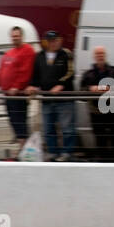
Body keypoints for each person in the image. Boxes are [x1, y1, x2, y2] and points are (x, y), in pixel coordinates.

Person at [28, 31, 75, 161]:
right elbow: (35, 76)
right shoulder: (39, 56)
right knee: (48, 129)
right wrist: (32, 86)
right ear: (46, 42)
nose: (53, 42)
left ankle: (67, 153)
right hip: (47, 99)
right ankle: (53, 152)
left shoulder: (66, 54)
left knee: (67, 128)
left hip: (64, 99)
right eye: (50, 40)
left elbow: (71, 72)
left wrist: (61, 85)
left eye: (55, 40)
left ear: (59, 40)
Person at [0, 26, 35, 157]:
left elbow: (25, 71)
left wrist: (17, 86)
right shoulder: (8, 53)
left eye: (17, 36)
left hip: (18, 95)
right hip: (8, 94)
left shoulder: (27, 50)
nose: (15, 38)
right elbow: (0, 72)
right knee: (13, 120)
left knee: (19, 120)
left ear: (22, 36)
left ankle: (24, 149)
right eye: (13, 36)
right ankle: (22, 147)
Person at [79, 46, 114, 161]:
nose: (100, 56)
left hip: (113, 111)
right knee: (100, 140)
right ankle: (103, 164)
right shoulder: (88, 74)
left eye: (102, 53)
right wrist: (90, 89)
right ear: (94, 57)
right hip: (96, 112)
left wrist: (99, 88)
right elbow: (81, 93)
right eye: (98, 54)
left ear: (105, 56)